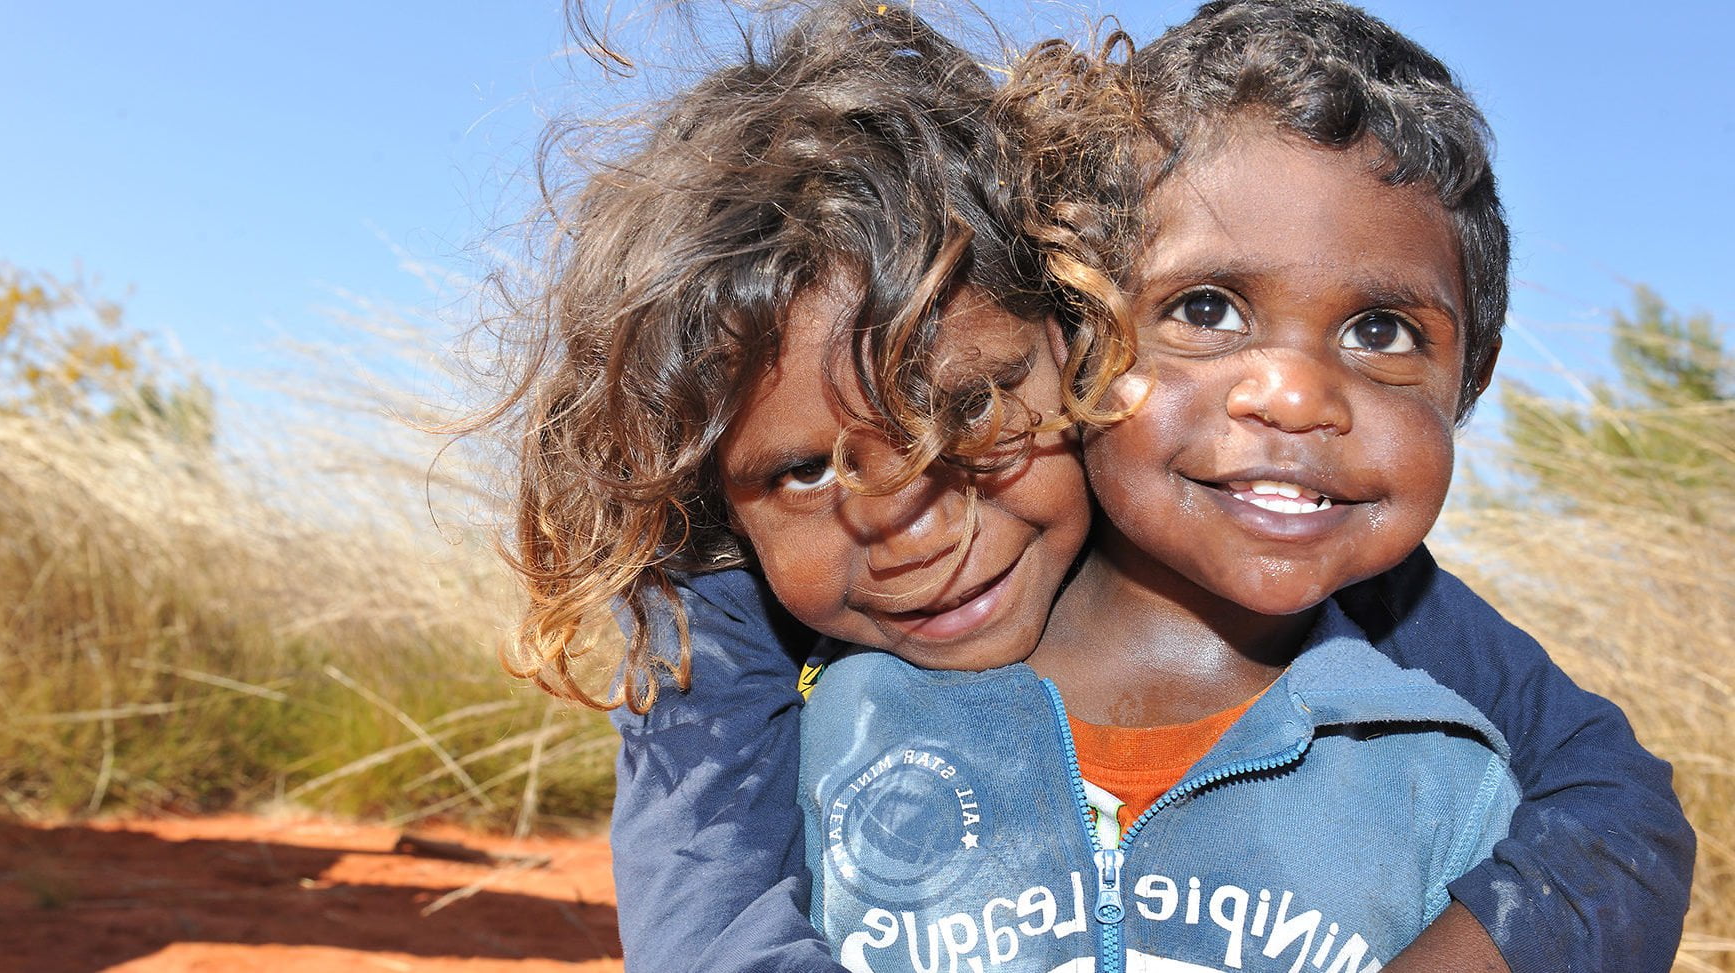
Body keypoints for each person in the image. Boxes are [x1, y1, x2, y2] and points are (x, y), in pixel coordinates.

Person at [481, 2, 1693, 971]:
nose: (907, 520)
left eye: (965, 409)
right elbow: (710, 937)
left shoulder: (1401, 629)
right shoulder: (733, 632)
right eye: (1209, 310)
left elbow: (1622, 817)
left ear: (1068, 329)